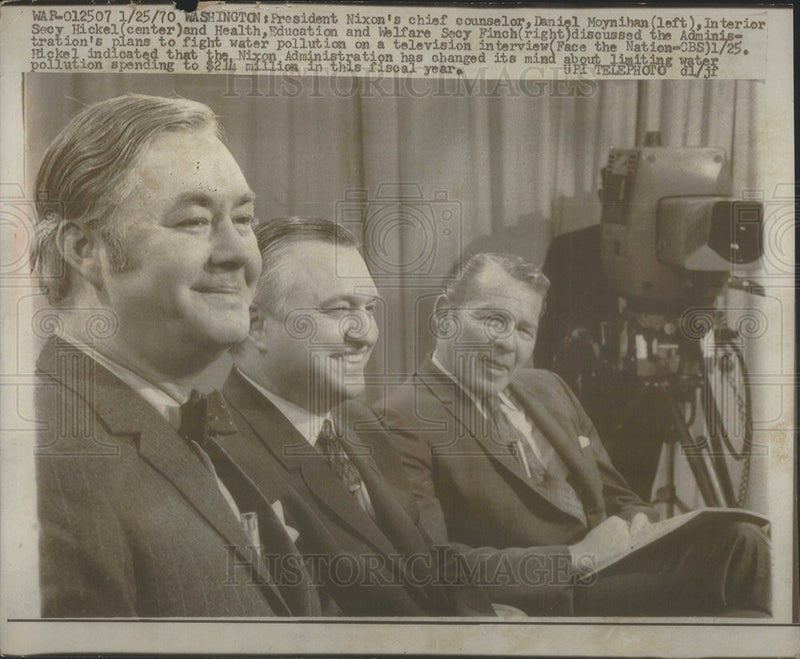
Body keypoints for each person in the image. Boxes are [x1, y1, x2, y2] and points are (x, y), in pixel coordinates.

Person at [32, 95, 327, 617]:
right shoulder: (49, 463)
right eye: (193, 221)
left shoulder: (174, 411)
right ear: (85, 250)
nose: (238, 252)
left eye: (244, 218)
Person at [379, 252, 771, 616]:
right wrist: (575, 558)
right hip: (550, 596)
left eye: (525, 330)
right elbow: (431, 565)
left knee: (744, 539)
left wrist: (638, 523)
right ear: (444, 316)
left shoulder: (549, 387)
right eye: (493, 320)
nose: (508, 344)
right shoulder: (401, 415)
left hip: (615, 566)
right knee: (732, 562)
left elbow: (621, 496)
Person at [225, 216, 495, 616]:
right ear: (255, 326)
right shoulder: (219, 455)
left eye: (369, 308)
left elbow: (428, 564)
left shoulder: (359, 423)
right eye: (339, 309)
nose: (366, 332)